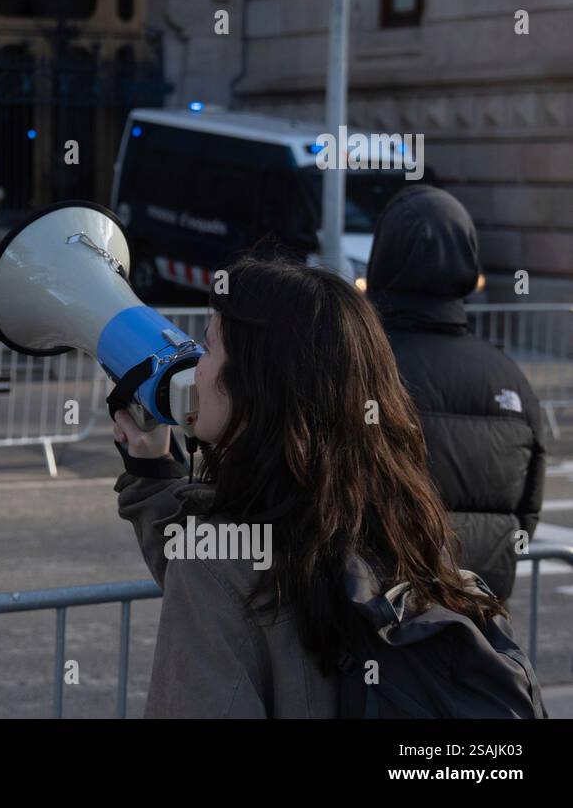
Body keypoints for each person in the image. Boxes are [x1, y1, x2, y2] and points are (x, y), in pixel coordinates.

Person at [111, 255, 528, 718]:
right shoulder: (402, 524)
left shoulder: (218, 566)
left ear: (255, 384)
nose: (196, 369)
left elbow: (222, 594)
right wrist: (152, 476)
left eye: (208, 348)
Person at [366, 185, 544, 601]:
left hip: (370, 633)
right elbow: (524, 515)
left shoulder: (357, 367)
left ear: (384, 259)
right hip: (477, 634)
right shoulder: (510, 379)